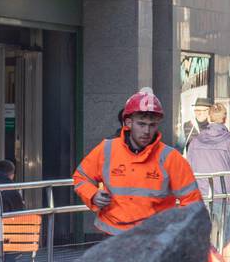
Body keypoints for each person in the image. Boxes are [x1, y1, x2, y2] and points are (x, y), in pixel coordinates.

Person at [73, 88, 202, 235]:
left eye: (152, 125)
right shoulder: (107, 149)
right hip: (112, 236)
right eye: (141, 124)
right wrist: (93, 195)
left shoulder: (170, 158)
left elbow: (192, 200)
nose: (147, 131)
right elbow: (81, 177)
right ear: (128, 123)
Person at [185, 102, 230, 249]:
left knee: (202, 233)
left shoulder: (195, 141)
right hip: (224, 193)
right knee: (227, 231)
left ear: (209, 117)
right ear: (225, 118)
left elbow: (189, 167)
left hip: (202, 193)